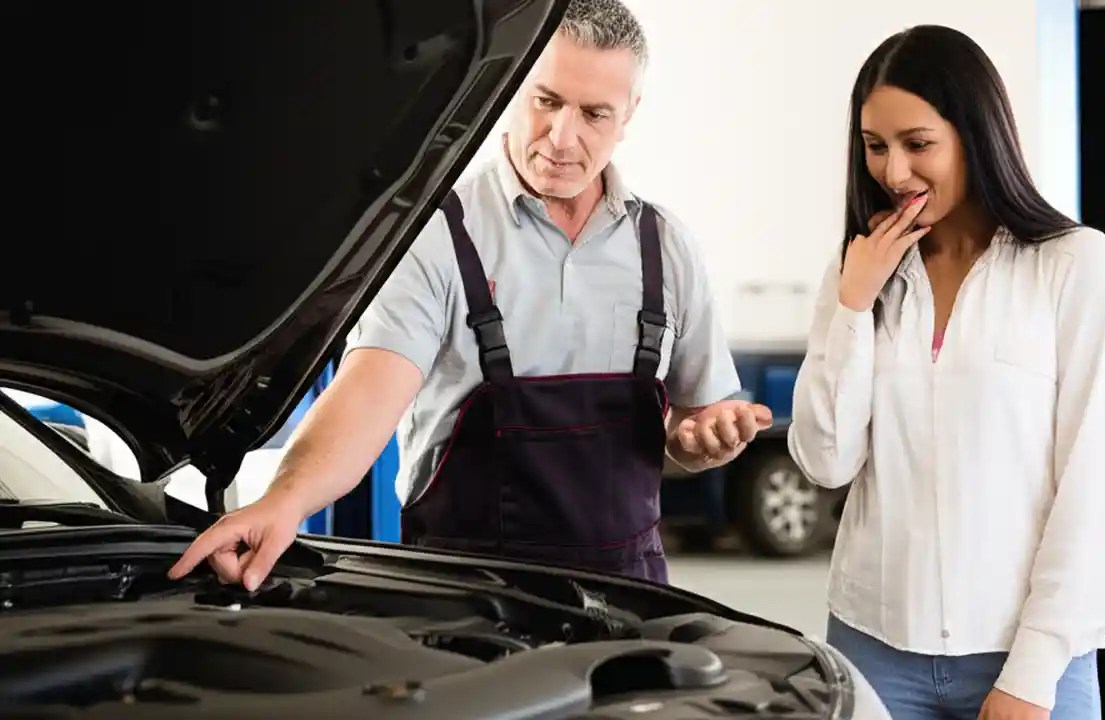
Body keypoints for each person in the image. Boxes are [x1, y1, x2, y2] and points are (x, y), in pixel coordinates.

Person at [168, 0, 770, 589]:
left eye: (594, 114)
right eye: (547, 101)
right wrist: (285, 501)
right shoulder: (434, 235)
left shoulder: (665, 247)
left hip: (623, 600)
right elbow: (368, 393)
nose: (562, 137)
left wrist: (704, 439)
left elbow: (696, 418)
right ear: (511, 86)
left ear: (630, 114)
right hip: (464, 598)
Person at [787, 25, 1105, 720]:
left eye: (918, 145)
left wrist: (1032, 675)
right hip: (873, 646)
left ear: (975, 134)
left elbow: (1094, 493)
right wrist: (852, 306)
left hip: (1029, 656)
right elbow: (825, 460)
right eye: (875, 146)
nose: (893, 173)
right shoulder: (858, 272)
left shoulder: (1074, 268)